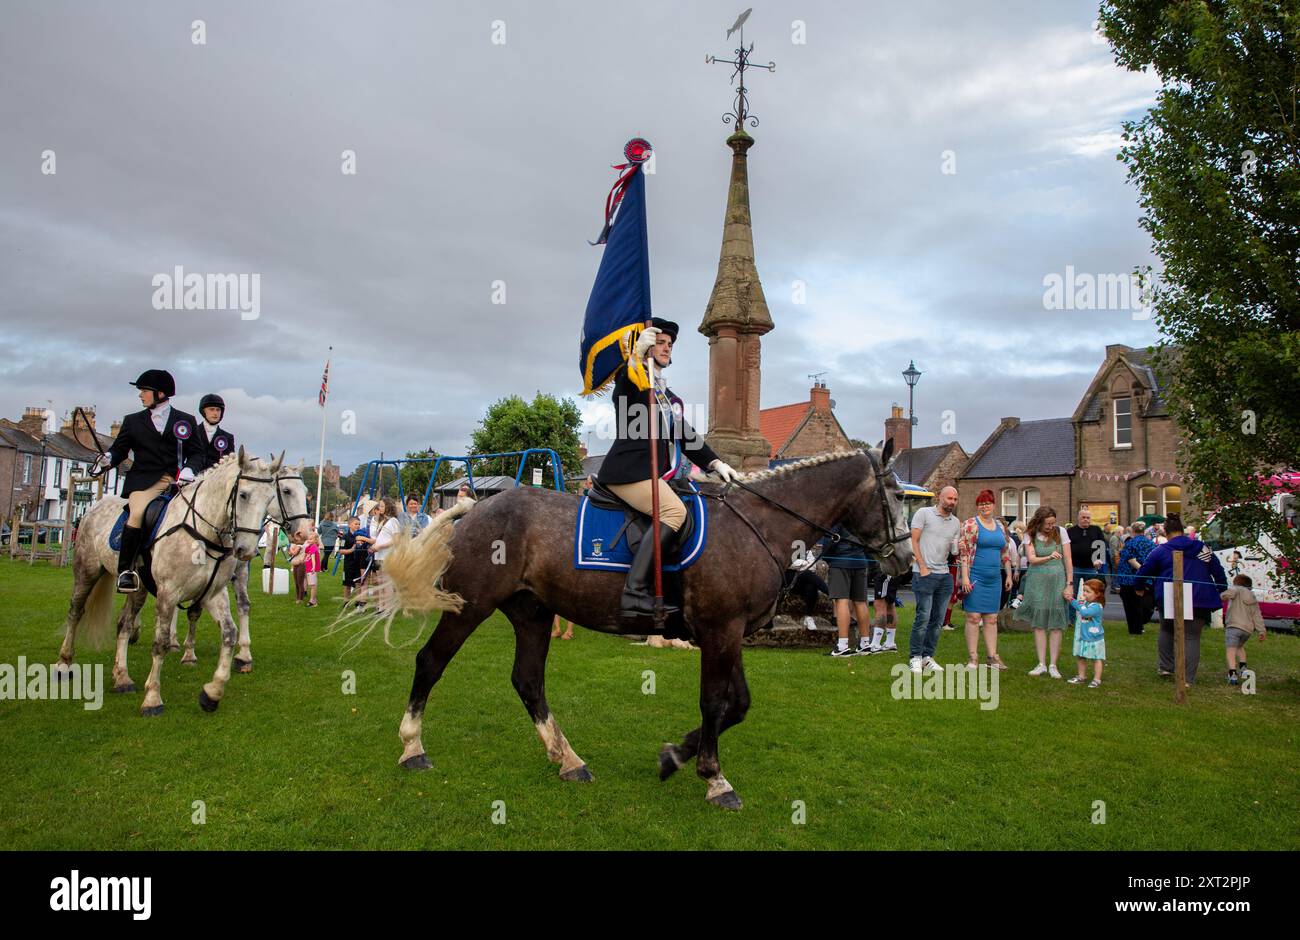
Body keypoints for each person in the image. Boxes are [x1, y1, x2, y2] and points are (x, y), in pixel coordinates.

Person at [593, 318, 737, 619]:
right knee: (674, 513)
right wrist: (634, 357)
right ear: (646, 345)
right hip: (628, 473)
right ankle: (633, 594)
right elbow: (621, 396)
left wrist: (715, 462)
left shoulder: (668, 398)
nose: (667, 346)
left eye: (670, 343)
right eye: (659, 341)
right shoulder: (634, 380)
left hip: (653, 475)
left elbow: (685, 435)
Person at [94, 369, 204, 592]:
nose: (141, 395)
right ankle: (126, 570)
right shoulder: (133, 421)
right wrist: (107, 459)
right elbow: (120, 451)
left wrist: (189, 470)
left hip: (178, 481)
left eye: (144, 391)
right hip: (145, 482)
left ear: (161, 393)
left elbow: (198, 453)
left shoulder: (186, 420)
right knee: (136, 514)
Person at [1136, 513, 1228, 686]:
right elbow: (1218, 570)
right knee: (1192, 636)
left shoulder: (1160, 551)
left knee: (1167, 629)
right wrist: (1222, 588)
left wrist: (1139, 587)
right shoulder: (1202, 548)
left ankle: (1166, 666)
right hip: (1199, 597)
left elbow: (1144, 571)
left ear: (1166, 532)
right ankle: (1187, 678)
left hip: (1171, 595)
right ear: (1182, 530)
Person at [958, 489, 1014, 670]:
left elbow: (1005, 551)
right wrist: (965, 577)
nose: (985, 507)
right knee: (973, 617)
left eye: (988, 503)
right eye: (981, 504)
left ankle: (992, 657)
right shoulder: (970, 524)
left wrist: (1009, 575)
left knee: (991, 618)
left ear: (993, 505)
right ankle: (973, 658)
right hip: (975, 575)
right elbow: (964, 551)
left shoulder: (1000, 526)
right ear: (977, 506)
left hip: (994, 578)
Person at [907, 486, 961, 674]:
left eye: (955, 499)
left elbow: (954, 551)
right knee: (923, 617)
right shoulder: (923, 513)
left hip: (944, 575)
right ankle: (914, 657)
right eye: (949, 498)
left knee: (938, 620)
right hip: (924, 573)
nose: (952, 502)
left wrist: (959, 546)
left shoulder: (956, 522)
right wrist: (921, 566)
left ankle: (927, 657)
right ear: (940, 497)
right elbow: (913, 541)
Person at [1016, 506, 1074, 678]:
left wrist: (1069, 583)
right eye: (1047, 523)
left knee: (1056, 623)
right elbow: (1032, 559)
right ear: (1039, 521)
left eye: (1052, 523)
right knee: (1039, 623)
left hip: (1057, 580)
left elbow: (1068, 559)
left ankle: (1053, 665)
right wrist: (1049, 557)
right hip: (1037, 580)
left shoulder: (1061, 532)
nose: (1050, 526)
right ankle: (1041, 663)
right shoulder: (1030, 534)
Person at [819, 523, 872, 656]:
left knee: (841, 601)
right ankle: (865, 643)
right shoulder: (859, 519)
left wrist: (827, 557)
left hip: (840, 561)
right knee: (860, 602)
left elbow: (829, 541)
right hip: (860, 560)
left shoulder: (839, 519)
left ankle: (843, 645)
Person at [1222, 574, 1266, 685]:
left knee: (1231, 650)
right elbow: (1257, 615)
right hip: (1247, 630)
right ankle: (1243, 668)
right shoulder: (1252, 597)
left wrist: (1223, 595)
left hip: (1234, 626)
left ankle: (1232, 674)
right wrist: (1261, 631)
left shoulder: (1236, 589)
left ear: (1236, 583)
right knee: (1239, 647)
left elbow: (1228, 594)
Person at [1117, 521, 1156, 635]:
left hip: (1129, 579)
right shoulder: (1151, 543)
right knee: (1142, 604)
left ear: (1132, 531)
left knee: (1131, 606)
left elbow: (1131, 560)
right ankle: (1141, 626)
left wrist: (1141, 571)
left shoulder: (1130, 543)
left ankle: (1135, 629)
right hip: (1147, 579)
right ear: (1143, 531)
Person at [1067, 578, 1107, 687]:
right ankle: (1081, 676)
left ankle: (1097, 679)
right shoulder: (1085, 603)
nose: (1084, 594)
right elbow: (1079, 606)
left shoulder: (1097, 607)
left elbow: (1084, 612)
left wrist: (1080, 602)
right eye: (1084, 590)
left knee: (1096, 658)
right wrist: (1071, 600)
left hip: (1094, 638)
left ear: (1098, 594)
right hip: (1084, 637)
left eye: (1088, 591)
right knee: (1080, 656)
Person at [1066, 507, 1106, 598]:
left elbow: (1102, 545)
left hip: (1091, 568)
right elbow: (1066, 548)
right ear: (1078, 518)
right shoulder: (1070, 531)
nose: (1086, 519)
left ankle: (1090, 612)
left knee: (1091, 594)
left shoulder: (1096, 529)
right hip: (1074, 568)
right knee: (1072, 594)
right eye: (1083, 517)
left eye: (1088, 518)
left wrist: (1099, 560)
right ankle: (1071, 612)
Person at [195, 393, 235, 470]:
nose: (215, 413)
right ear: (204, 411)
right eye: (211, 409)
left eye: (218, 410)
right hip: (193, 476)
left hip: (215, 477)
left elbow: (230, 464)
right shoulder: (193, 432)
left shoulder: (228, 437)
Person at [367, 497, 403, 576]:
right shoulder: (381, 521)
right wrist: (374, 546)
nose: (380, 508)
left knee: (386, 585)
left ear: (388, 507)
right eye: (379, 506)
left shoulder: (394, 521)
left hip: (387, 556)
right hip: (378, 556)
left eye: (382, 506)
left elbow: (396, 540)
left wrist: (380, 546)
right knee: (380, 583)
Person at [337, 516, 365, 602]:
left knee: (358, 584)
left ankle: (358, 601)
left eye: (359, 524)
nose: (358, 526)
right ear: (349, 525)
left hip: (359, 564)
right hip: (348, 565)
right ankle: (346, 602)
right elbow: (341, 551)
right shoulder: (344, 537)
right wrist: (351, 550)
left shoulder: (361, 536)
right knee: (347, 584)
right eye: (355, 524)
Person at [287, 531, 307, 603]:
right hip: (295, 564)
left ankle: (300, 599)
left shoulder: (300, 545)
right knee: (296, 582)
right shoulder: (295, 545)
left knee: (300, 582)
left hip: (301, 564)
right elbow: (290, 553)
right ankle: (297, 597)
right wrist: (291, 550)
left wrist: (290, 550)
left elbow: (294, 553)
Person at [303, 527, 321, 607]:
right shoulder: (309, 547)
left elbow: (313, 559)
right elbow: (306, 554)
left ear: (315, 540)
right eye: (308, 539)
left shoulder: (314, 547)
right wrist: (304, 560)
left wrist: (313, 567)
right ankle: (314, 599)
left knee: (312, 585)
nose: (308, 540)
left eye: (310, 539)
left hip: (311, 569)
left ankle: (312, 600)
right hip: (308, 568)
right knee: (311, 585)